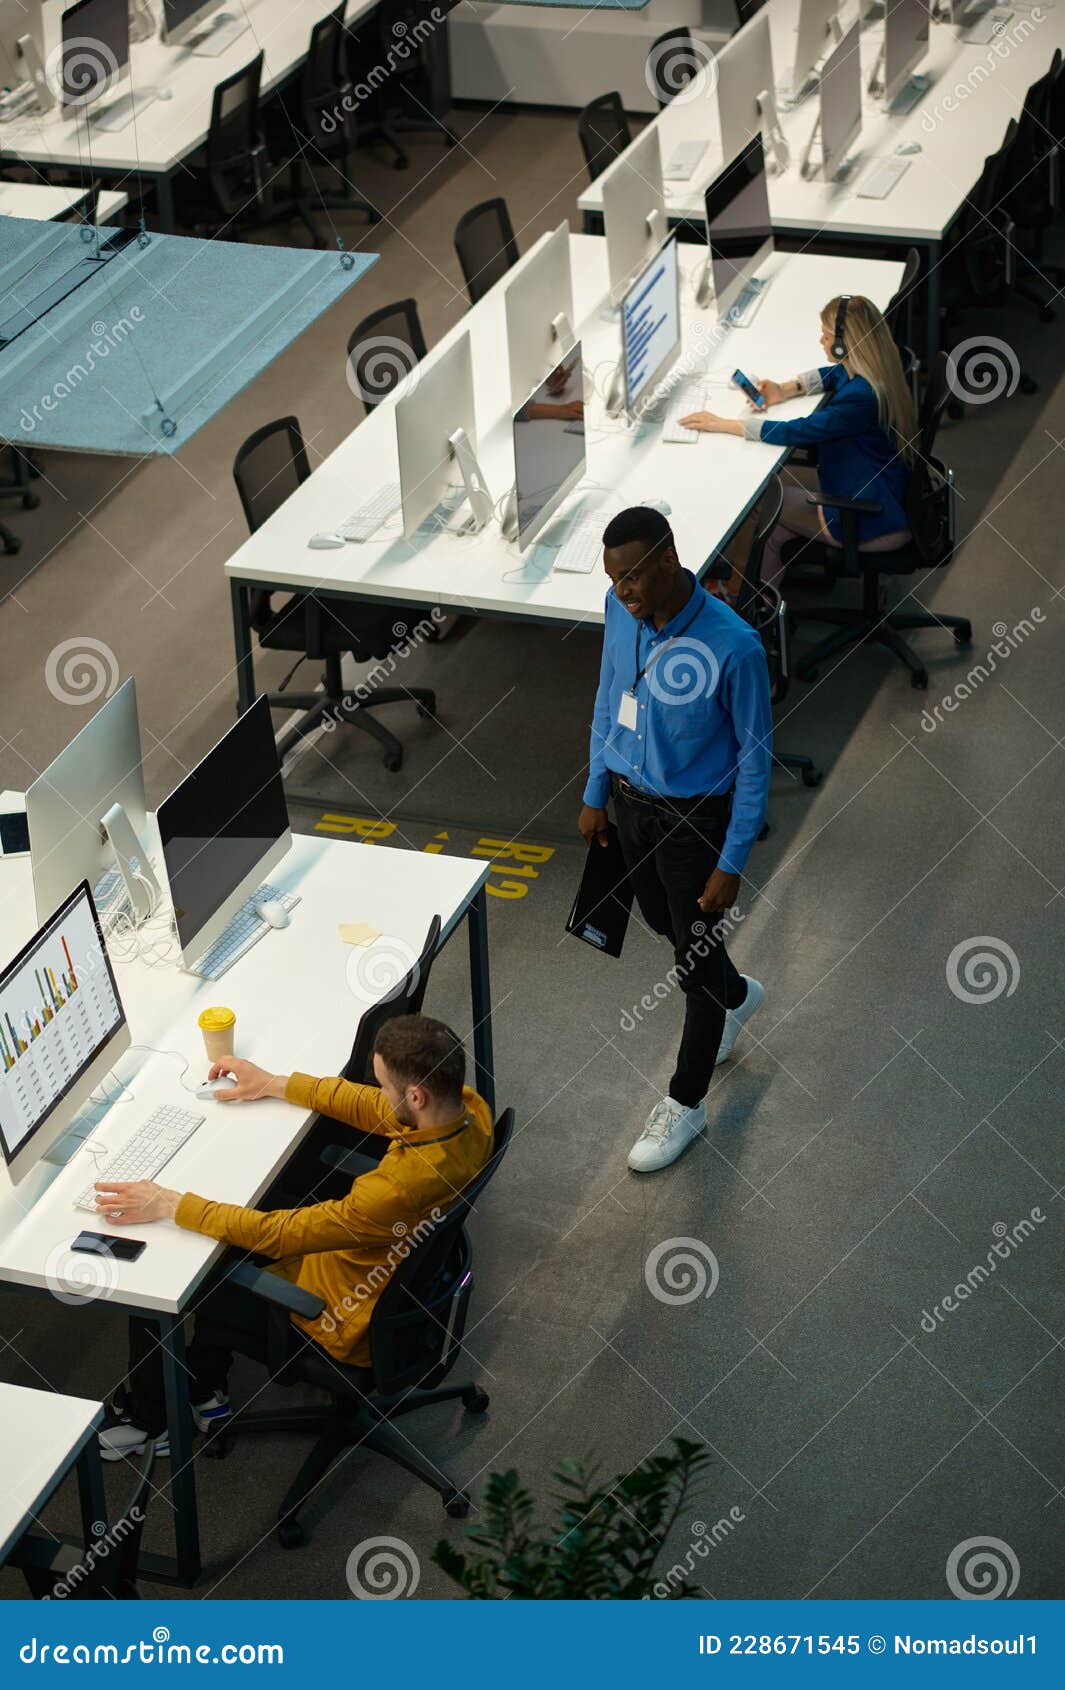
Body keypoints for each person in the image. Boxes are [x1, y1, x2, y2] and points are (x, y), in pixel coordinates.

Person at [93, 1015, 493, 1460]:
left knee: (175, 1263)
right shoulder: (468, 1110)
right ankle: (204, 1387)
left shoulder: (394, 1190)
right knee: (264, 1200)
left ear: (416, 1095)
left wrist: (170, 1205)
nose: (378, 1093)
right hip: (401, 1274)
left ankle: (156, 1419)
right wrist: (272, 1083)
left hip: (339, 1310)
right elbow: (370, 1106)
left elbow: (280, 1235)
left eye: (383, 1084)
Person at [578, 506, 772, 1174]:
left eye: (633, 576)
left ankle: (685, 1102)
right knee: (662, 920)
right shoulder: (617, 609)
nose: (623, 591)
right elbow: (609, 695)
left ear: (668, 560)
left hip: (695, 822)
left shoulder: (734, 646)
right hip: (631, 808)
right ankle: (736, 993)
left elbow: (754, 760)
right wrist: (594, 788)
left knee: (692, 961)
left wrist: (731, 862)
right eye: (614, 579)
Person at [679, 293, 916, 586]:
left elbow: (797, 430)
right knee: (774, 532)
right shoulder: (873, 368)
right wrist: (785, 389)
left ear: (844, 343)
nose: (821, 341)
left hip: (869, 519)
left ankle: (735, 597)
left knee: (759, 507)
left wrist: (727, 424)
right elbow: (831, 375)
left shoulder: (860, 398)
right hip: (885, 494)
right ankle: (762, 603)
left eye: (826, 336)